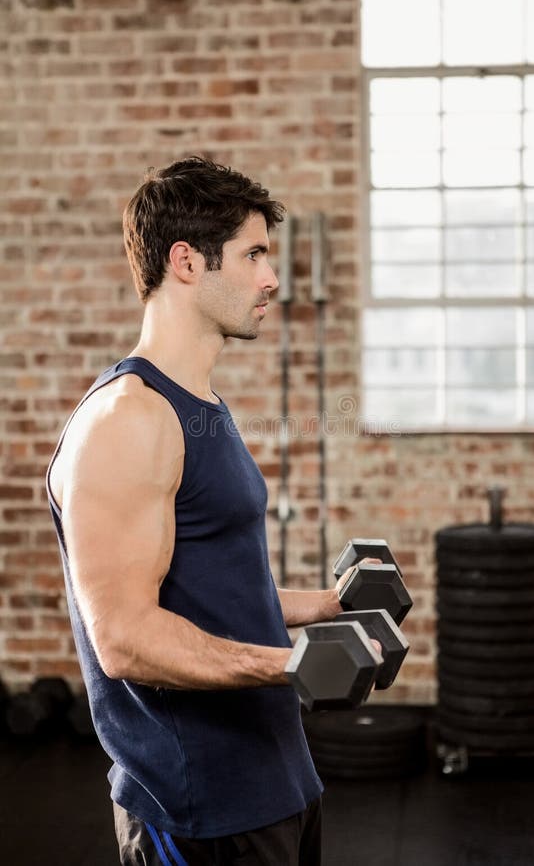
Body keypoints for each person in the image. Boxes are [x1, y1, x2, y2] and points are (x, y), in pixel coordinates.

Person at [46, 157, 354, 866]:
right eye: (253, 255)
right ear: (187, 262)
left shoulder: (199, 408)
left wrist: (329, 607)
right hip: (199, 812)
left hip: (275, 785)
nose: (270, 278)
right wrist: (293, 664)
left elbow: (212, 590)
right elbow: (125, 636)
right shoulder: (128, 419)